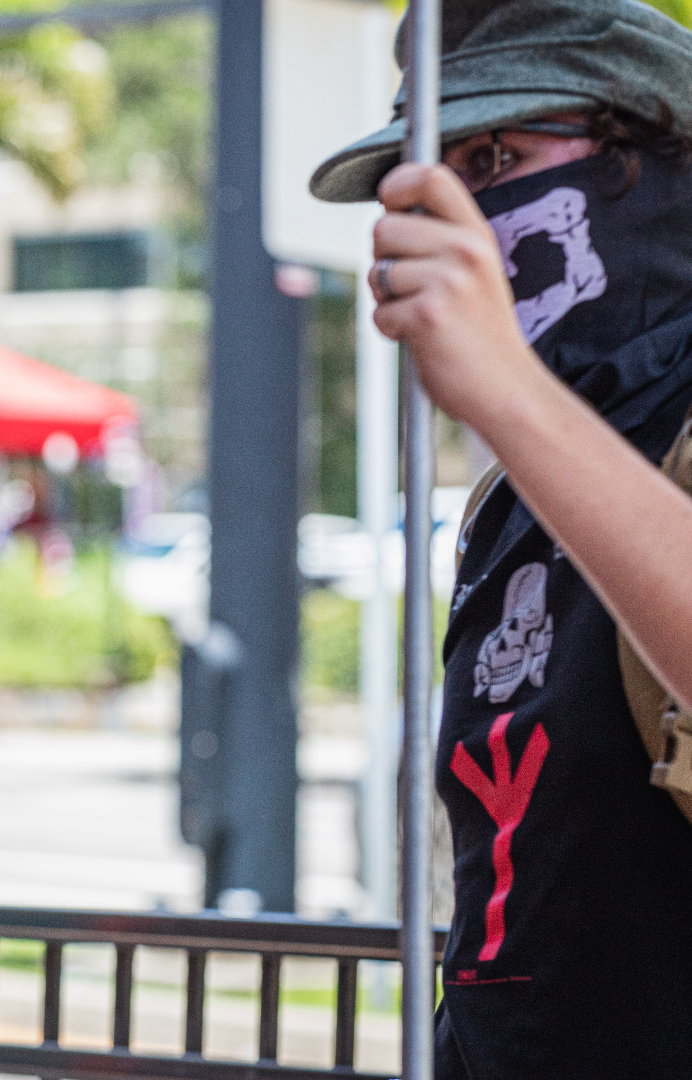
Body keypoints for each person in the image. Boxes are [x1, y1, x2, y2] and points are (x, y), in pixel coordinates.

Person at [310, 0, 692, 1074]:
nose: (453, 215)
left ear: (653, 156)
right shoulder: (515, 490)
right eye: (427, 179)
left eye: (496, 157)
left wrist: (509, 395)